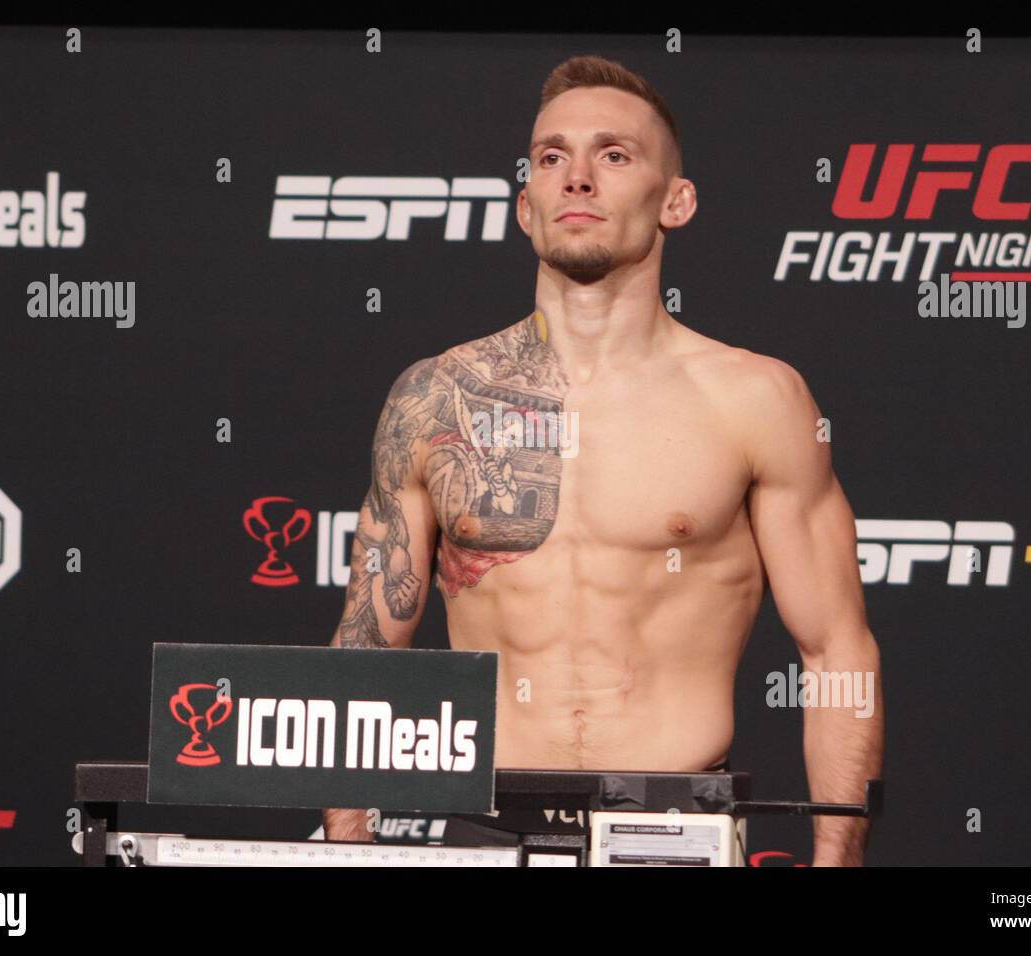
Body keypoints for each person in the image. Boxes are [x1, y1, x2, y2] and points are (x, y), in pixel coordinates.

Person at [323, 55, 882, 866]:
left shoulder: (757, 399)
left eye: (613, 155)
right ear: (525, 206)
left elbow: (836, 652)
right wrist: (348, 846)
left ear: (677, 200)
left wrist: (839, 858)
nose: (577, 178)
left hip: (678, 825)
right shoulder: (434, 399)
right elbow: (368, 649)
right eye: (552, 158)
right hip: (484, 824)